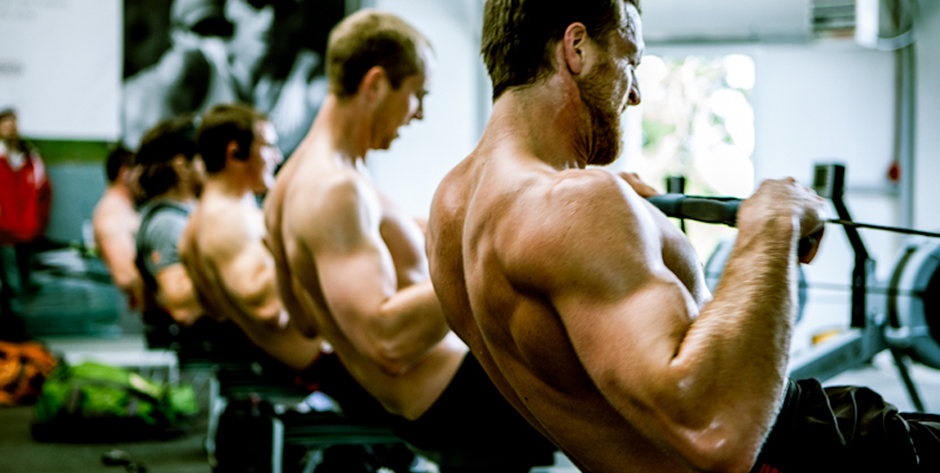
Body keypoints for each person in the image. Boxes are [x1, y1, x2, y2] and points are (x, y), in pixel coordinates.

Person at [425, 1, 940, 473]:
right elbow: (716, 432)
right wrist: (773, 225)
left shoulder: (453, 210)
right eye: (631, 61)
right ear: (576, 48)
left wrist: (613, 215)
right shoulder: (571, 205)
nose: (635, 93)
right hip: (797, 452)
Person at [264, 9, 555, 471]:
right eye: (417, 94)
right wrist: (477, 247)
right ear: (375, 85)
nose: (418, 113)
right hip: (459, 401)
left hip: (435, 398)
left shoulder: (289, 185)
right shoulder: (334, 190)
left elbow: (304, 321)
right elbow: (386, 340)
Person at [177, 103, 322, 371]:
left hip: (291, 360)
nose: (277, 156)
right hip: (314, 365)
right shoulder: (228, 220)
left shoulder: (198, 222)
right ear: (234, 153)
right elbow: (270, 309)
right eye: (268, 146)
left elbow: (215, 310)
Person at [0, 108, 51, 297]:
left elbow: (43, 190)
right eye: (5, 123)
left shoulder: (31, 158)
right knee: (12, 284)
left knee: (25, 279)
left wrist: (38, 220)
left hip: (26, 228)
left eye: (13, 123)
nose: (10, 128)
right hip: (3, 231)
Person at [92, 145, 143, 313]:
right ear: (125, 173)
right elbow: (126, 276)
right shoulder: (112, 212)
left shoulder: (125, 207)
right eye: (139, 171)